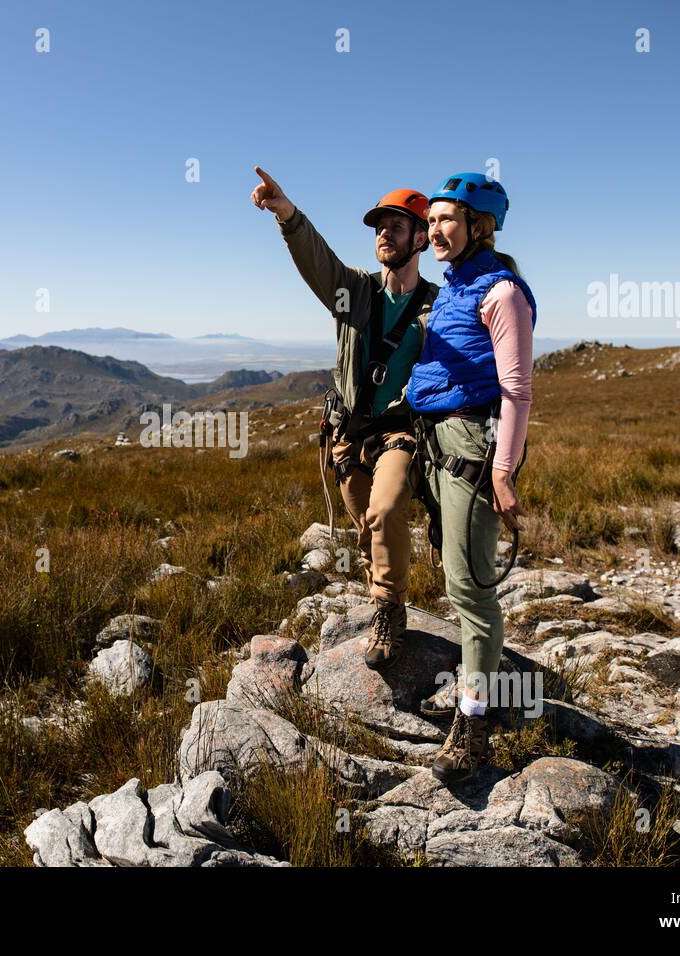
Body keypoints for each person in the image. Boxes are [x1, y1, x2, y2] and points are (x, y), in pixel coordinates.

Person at [251, 166, 437, 668]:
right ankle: (384, 588)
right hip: (349, 435)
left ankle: (389, 613)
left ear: (421, 237)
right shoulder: (352, 292)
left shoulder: (435, 308)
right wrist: (286, 213)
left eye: (397, 226)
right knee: (364, 523)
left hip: (400, 432)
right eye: (380, 225)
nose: (384, 233)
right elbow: (318, 262)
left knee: (386, 508)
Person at [404, 172, 536, 784]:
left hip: (472, 450)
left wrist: (504, 473)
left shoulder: (501, 293)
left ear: (479, 225)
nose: (435, 230)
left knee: (471, 592)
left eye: (446, 220)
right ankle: (471, 693)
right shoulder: (454, 287)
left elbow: (516, 391)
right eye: (430, 221)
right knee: (455, 579)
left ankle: (474, 727)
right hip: (438, 443)